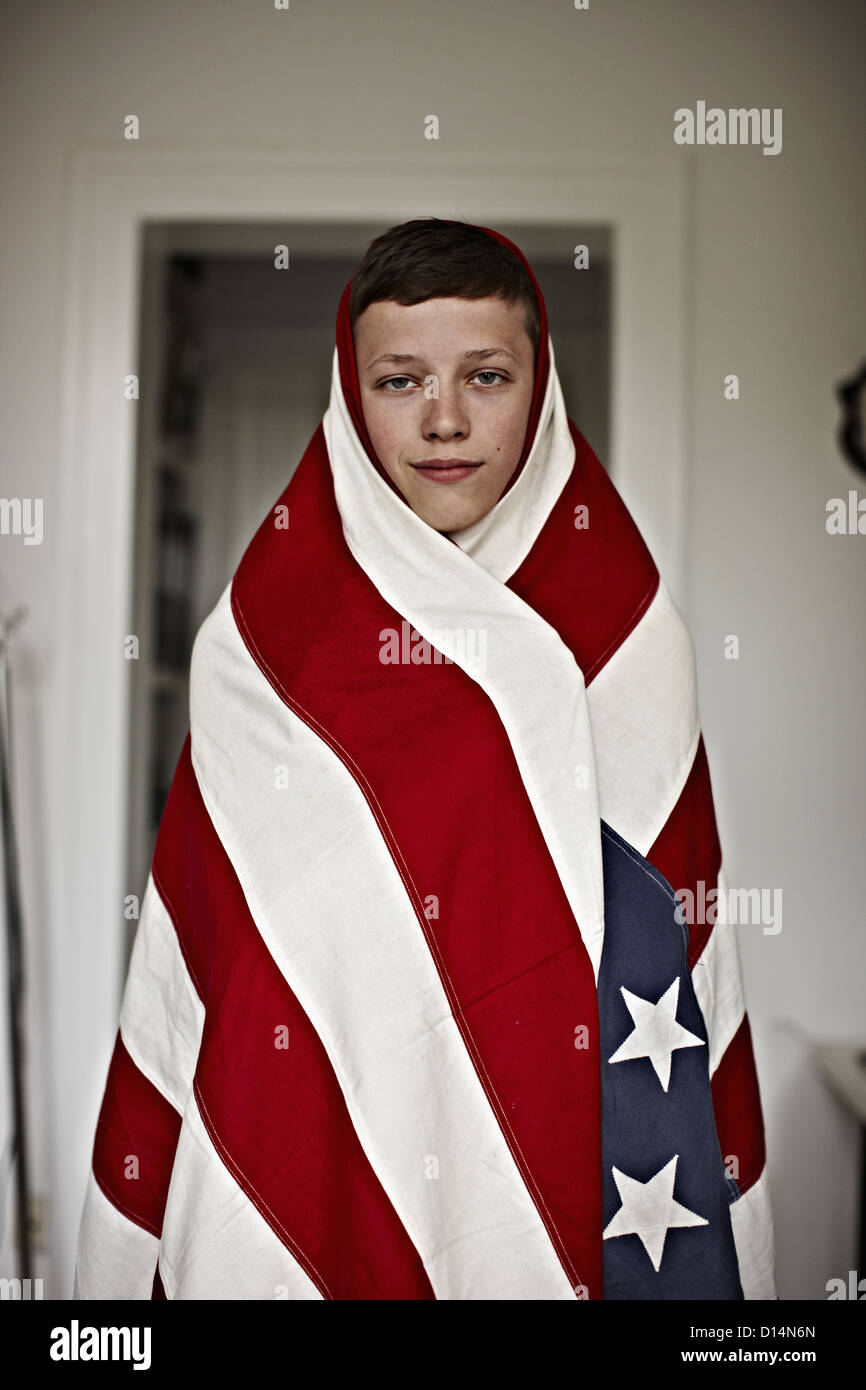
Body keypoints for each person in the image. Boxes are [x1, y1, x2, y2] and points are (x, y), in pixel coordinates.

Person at [73, 217, 777, 1300]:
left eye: (484, 375)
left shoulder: (629, 636)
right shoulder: (256, 646)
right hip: (313, 1156)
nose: (444, 419)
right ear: (348, 395)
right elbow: (218, 958)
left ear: (540, 383)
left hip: (562, 1154)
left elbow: (670, 961)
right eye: (400, 381)